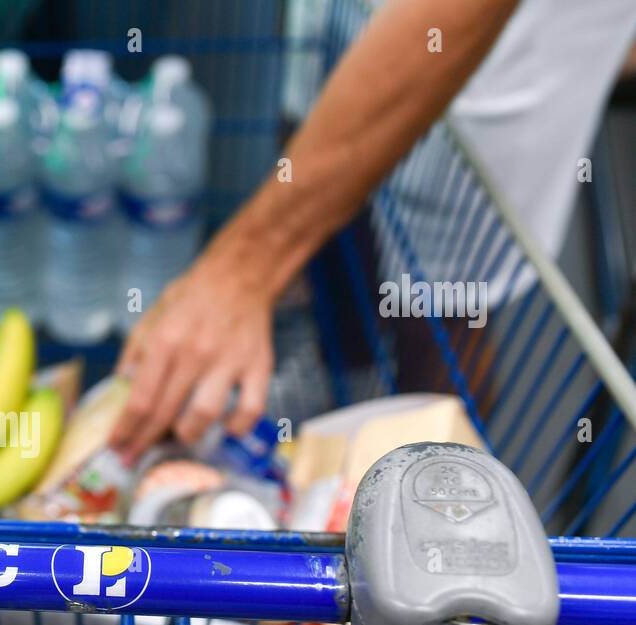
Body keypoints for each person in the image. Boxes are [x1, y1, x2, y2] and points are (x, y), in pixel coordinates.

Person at [109, 0, 636, 462]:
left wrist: (243, 267)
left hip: (499, 43)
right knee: (321, 141)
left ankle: (422, 465)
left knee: (442, 291)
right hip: (352, 21)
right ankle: (344, 378)